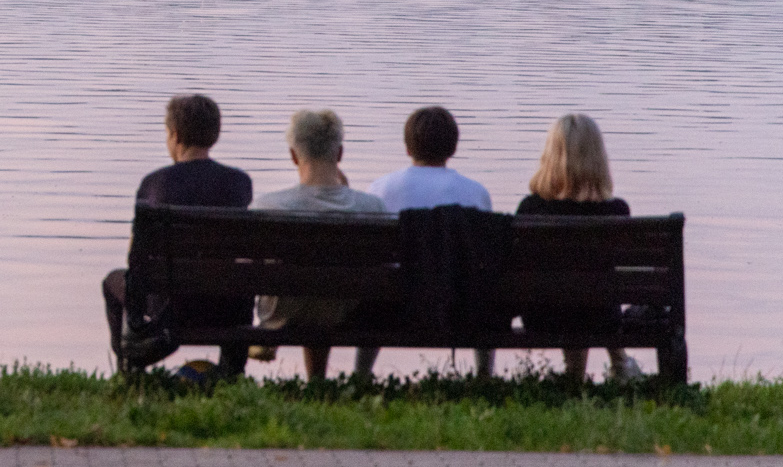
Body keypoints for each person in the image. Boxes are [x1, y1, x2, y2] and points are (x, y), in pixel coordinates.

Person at [101, 93, 252, 374]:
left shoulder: (154, 183)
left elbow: (135, 258)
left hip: (169, 309)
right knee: (238, 283)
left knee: (113, 281)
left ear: (176, 135)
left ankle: (131, 361)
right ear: (214, 135)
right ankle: (231, 373)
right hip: (226, 306)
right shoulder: (239, 183)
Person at [254, 110, 388, 381]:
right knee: (327, 287)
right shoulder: (372, 208)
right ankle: (317, 381)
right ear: (339, 154)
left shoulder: (268, 207)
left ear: (293, 156)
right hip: (344, 310)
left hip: (283, 311)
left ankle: (272, 340)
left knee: (300, 283)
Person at [366, 105, 496, 375]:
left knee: (376, 284)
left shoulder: (380, 189)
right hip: (459, 307)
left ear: (408, 148)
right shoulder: (475, 193)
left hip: (389, 307)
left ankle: (360, 374)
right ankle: (485, 375)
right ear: (453, 148)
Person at [516, 113, 638, 380]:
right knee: (592, 291)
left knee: (570, 290)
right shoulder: (616, 211)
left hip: (542, 319)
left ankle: (575, 376)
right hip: (600, 319)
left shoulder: (530, 209)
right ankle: (615, 365)